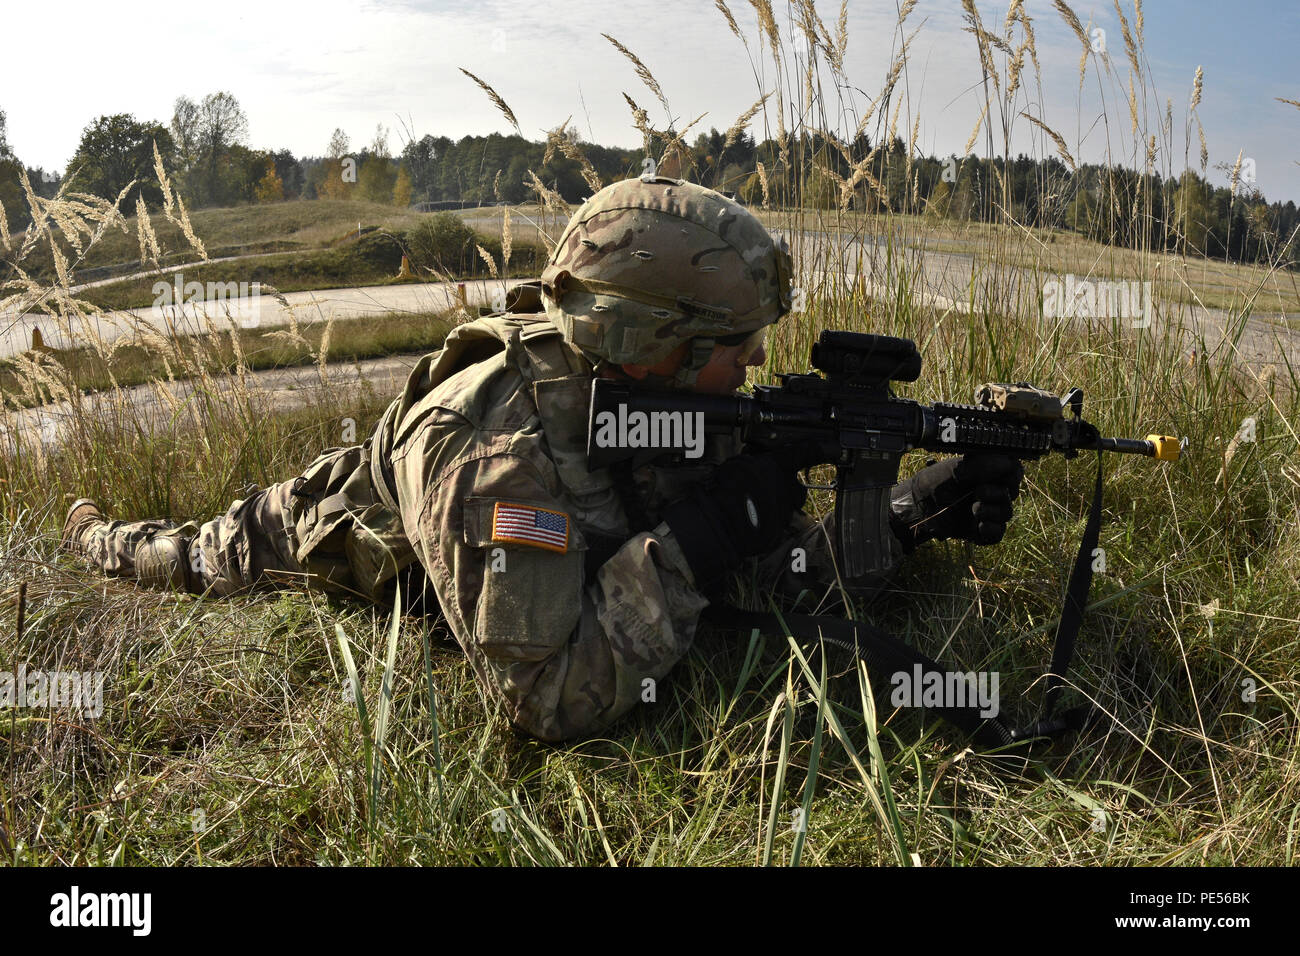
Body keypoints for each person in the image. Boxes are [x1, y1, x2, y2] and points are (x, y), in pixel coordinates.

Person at [61, 175, 1024, 742]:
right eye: (737, 346)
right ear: (657, 342)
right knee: (195, 554)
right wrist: (699, 539)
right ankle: (93, 535)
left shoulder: (655, 395)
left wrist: (908, 511)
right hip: (336, 527)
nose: (758, 364)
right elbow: (548, 700)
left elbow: (753, 573)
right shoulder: (493, 446)